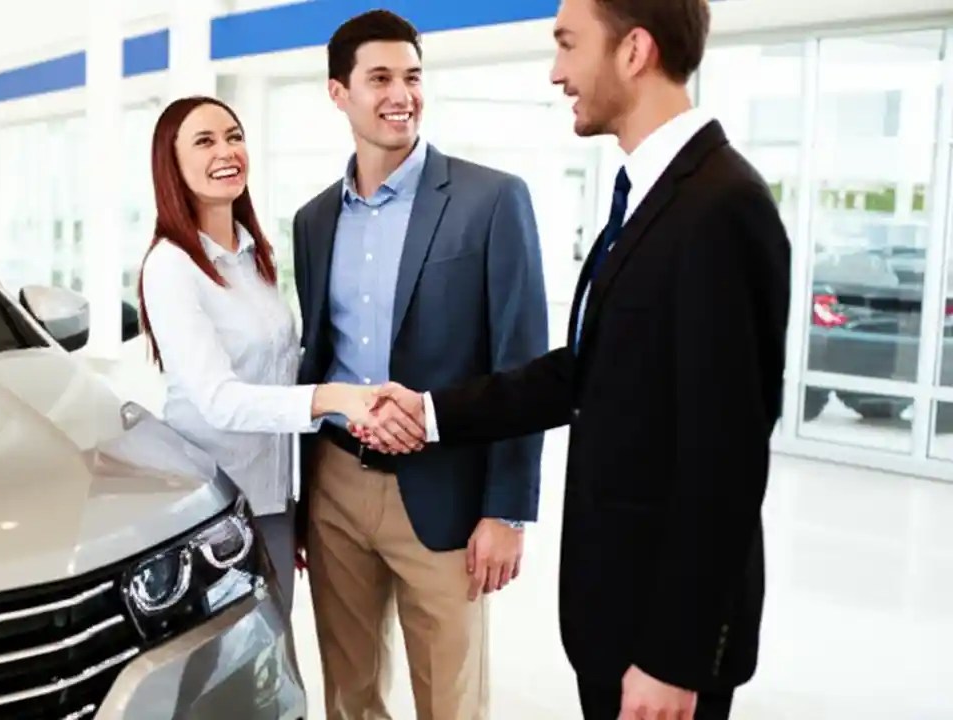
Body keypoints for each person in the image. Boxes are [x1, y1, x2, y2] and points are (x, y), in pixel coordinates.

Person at [356, 1, 792, 718]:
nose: (557, 73)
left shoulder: (721, 208)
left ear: (634, 51)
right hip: (618, 612)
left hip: (660, 639)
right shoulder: (647, 195)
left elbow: (727, 460)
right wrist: (429, 411)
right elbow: (584, 372)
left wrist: (674, 659)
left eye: (567, 45)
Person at [290, 10, 549, 720]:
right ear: (339, 93)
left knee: (451, 700)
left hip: (447, 488)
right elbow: (318, 357)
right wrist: (299, 502)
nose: (400, 94)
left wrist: (506, 509)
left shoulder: (490, 199)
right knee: (349, 694)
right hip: (335, 486)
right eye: (379, 78)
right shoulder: (313, 221)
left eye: (412, 77)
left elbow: (522, 363)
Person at [136, 95, 420, 617]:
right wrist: (334, 398)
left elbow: (279, 371)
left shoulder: (253, 257)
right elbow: (220, 400)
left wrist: (294, 503)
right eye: (204, 141)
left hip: (271, 503)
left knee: (271, 650)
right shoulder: (171, 267)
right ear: (170, 164)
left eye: (234, 136)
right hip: (211, 510)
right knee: (226, 658)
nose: (226, 151)